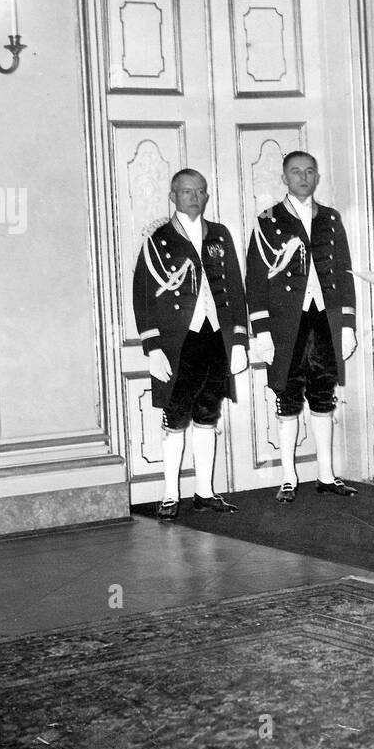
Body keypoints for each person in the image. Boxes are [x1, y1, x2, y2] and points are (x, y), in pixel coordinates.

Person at [132, 169, 248, 519]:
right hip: (176, 343)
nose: (194, 197)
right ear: (173, 196)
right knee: (175, 417)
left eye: (200, 191)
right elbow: (143, 295)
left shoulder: (220, 235)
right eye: (186, 192)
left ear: (206, 196)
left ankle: (205, 492)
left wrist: (239, 340)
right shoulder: (158, 238)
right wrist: (152, 348)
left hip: (215, 337)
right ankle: (170, 495)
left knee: (208, 416)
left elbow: (236, 287)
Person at [245, 151, 359, 503]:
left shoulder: (330, 218)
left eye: (310, 172)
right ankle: (289, 477)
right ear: (284, 178)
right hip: (285, 324)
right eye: (296, 172)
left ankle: (326, 474)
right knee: (288, 397)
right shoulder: (268, 219)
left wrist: (348, 325)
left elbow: (343, 272)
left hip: (324, 318)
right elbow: (256, 279)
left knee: (323, 395)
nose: (303, 177)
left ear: (317, 177)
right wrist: (261, 330)